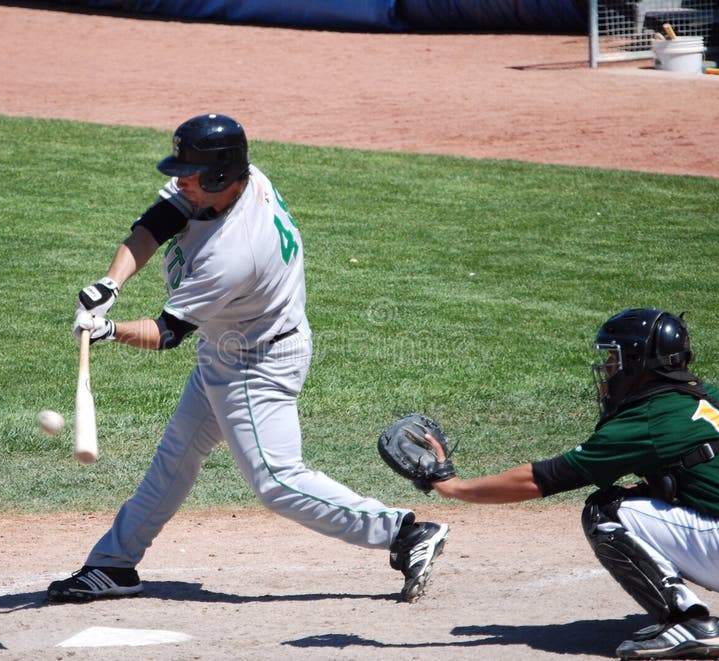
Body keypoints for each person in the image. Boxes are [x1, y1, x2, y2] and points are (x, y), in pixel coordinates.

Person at [47, 113, 448, 604]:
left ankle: (405, 534)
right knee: (174, 460)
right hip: (232, 345)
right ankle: (113, 565)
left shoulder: (235, 252)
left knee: (277, 481)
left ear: (219, 177)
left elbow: (167, 332)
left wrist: (108, 330)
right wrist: (110, 284)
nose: (180, 182)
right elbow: (157, 223)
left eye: (191, 175)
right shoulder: (242, 180)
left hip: (257, 362)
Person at [423, 309, 719, 659]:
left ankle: (688, 622)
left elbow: (546, 478)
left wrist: (456, 487)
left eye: (613, 358)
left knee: (606, 510)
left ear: (639, 363)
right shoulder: (714, 398)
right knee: (663, 494)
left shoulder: (652, 416)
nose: (607, 368)